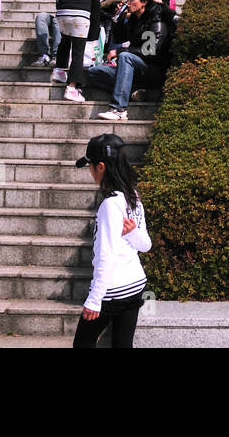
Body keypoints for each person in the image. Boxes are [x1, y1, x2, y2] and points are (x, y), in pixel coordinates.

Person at [73, 133, 151, 348]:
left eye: (90, 166)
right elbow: (146, 245)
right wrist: (133, 233)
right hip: (135, 285)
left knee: (82, 344)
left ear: (101, 167)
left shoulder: (110, 205)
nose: (90, 172)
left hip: (113, 291)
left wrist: (95, 299)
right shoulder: (132, 196)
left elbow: (105, 254)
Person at [87, 0, 173, 122]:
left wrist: (122, 51)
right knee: (93, 73)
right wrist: (118, 20)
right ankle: (133, 91)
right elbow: (120, 38)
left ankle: (119, 109)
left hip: (151, 69)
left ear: (144, 1)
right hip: (133, 68)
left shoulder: (156, 19)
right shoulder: (135, 18)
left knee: (125, 56)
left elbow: (150, 50)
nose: (129, 3)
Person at [51, 0, 102, 104]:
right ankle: (72, 88)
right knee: (78, 52)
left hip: (63, 13)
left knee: (65, 42)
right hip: (81, 15)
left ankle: (59, 71)